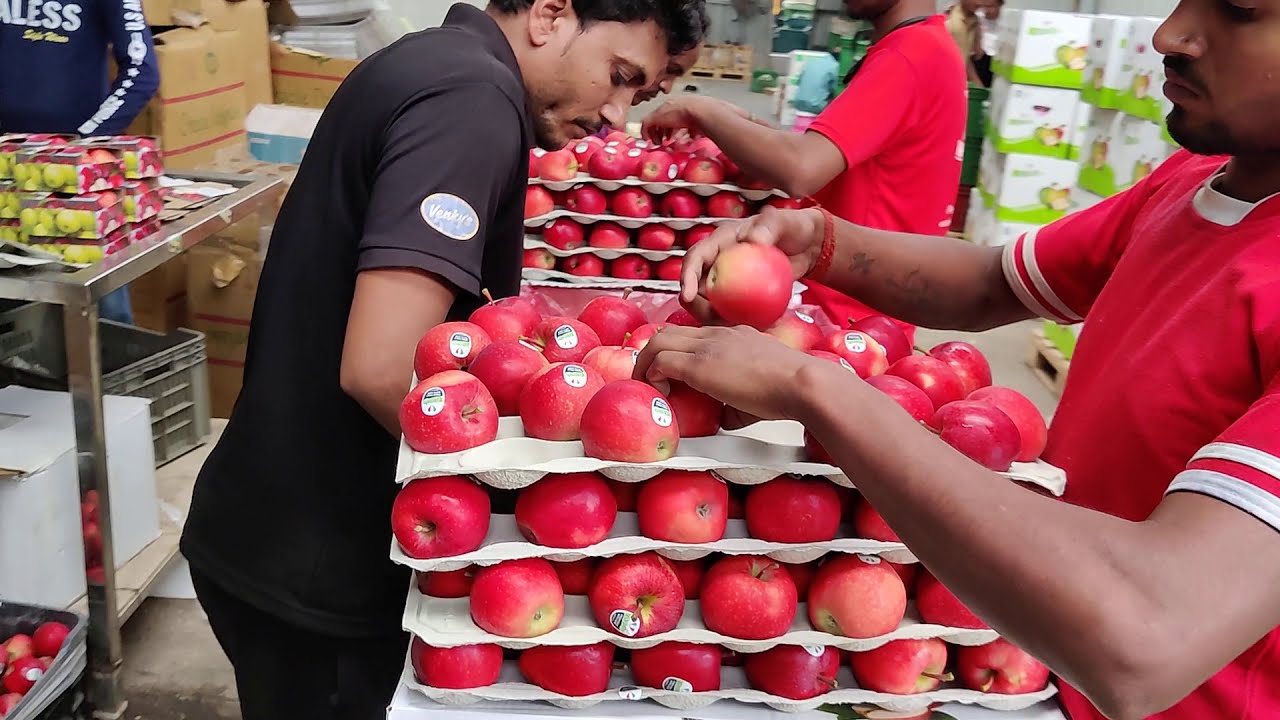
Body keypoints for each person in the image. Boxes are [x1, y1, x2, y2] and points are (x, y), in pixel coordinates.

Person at [635, 2, 1280, 719]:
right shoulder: (1192, 184)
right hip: (1045, 650)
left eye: (1239, 9)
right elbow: (993, 282)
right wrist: (820, 242)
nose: (1169, 35)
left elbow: (1145, 638)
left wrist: (812, 387)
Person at [179, 0, 706, 718]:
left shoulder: (432, 61)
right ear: (550, 14)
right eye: (619, 76)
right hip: (323, 562)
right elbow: (381, 367)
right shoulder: (472, 102)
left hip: (276, 523)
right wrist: (523, 497)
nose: (616, 115)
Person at [642, 0, 965, 338]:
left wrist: (701, 111)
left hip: (847, 317)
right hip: (869, 313)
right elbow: (826, 155)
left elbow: (801, 168)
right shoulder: (929, 47)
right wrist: (733, 121)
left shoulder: (909, 55)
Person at [0, 0, 159, 323]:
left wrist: (84, 142)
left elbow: (142, 70)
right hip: (6, 167)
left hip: (83, 175)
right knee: (13, 312)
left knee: (101, 315)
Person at [945, 0, 1002, 86]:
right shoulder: (951, 20)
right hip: (947, 80)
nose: (980, 3)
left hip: (959, 80)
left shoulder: (974, 20)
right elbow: (960, 58)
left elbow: (967, 56)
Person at [790, 48, 841, 115]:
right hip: (816, 106)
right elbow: (835, 89)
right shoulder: (835, 66)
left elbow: (799, 81)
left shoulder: (811, 62)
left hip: (798, 103)